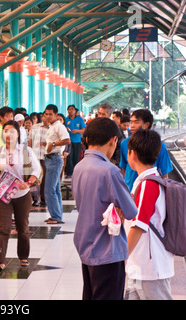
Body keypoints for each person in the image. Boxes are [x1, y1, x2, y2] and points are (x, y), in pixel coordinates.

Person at [72, 117, 138, 300]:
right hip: (106, 249)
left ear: (86, 139)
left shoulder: (79, 167)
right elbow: (131, 211)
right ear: (113, 140)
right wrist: (120, 205)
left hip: (85, 243)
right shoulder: (109, 170)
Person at [125, 129, 174, 300]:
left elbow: (139, 224)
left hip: (150, 268)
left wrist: (121, 256)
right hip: (141, 265)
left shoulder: (148, 184)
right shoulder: (146, 181)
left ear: (133, 154)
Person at [0, 120, 41, 270]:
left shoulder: (26, 151)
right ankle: (1, 261)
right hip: (3, 193)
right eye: (6, 131)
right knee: (2, 228)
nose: (8, 134)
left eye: (12, 131)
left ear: (18, 133)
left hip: (22, 194)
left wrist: (29, 183)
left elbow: (36, 170)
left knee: (22, 227)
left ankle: (23, 257)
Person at [119, 109, 172, 191]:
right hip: (129, 191)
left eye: (136, 122)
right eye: (131, 122)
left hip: (150, 190)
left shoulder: (160, 146)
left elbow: (164, 175)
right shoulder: (124, 143)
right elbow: (124, 169)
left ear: (147, 124)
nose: (131, 126)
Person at [43, 104, 70, 224]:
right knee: (55, 189)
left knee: (49, 189)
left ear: (55, 115)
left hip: (54, 159)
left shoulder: (59, 126)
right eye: (46, 114)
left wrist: (53, 144)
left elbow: (67, 139)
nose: (48, 116)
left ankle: (56, 216)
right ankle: (56, 214)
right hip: (50, 159)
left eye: (50, 114)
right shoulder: (52, 126)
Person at [28, 113, 49, 206]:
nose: (45, 118)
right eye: (44, 116)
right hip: (35, 156)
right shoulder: (35, 127)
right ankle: (35, 199)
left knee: (44, 179)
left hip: (46, 156)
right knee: (34, 177)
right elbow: (30, 141)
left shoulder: (52, 128)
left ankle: (44, 199)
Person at [64, 105, 85, 178]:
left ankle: (76, 173)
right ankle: (69, 173)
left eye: (72, 109)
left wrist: (77, 131)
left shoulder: (79, 119)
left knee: (76, 157)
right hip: (68, 142)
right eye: (69, 109)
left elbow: (83, 130)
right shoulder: (66, 120)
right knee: (69, 157)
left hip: (77, 141)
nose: (70, 111)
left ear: (75, 111)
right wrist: (65, 129)